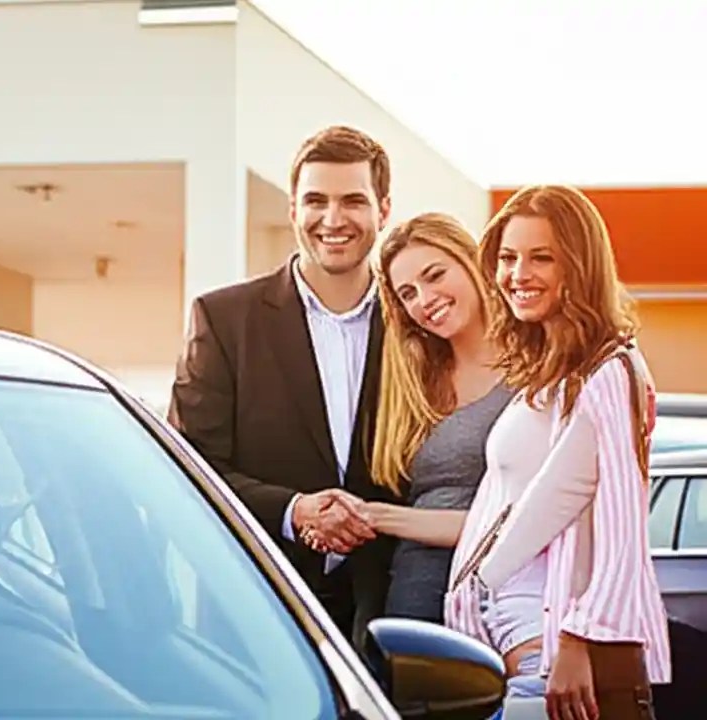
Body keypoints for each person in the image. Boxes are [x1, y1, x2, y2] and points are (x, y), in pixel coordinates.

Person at [167, 125, 396, 652]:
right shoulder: (223, 319)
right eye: (316, 201)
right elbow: (191, 467)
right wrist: (295, 511)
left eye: (353, 201)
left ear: (383, 210)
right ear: (293, 209)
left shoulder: (416, 325)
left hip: (391, 619)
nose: (332, 219)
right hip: (254, 610)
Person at [445, 185, 670, 720]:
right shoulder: (547, 372)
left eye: (540, 257)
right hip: (509, 637)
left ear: (578, 265)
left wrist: (577, 638)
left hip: (548, 650)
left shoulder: (611, 371)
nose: (517, 274)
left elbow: (621, 525)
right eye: (507, 258)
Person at [310, 212, 513, 624]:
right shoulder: (414, 384)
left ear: (472, 262)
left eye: (435, 275)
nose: (425, 299)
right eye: (408, 294)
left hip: (499, 606)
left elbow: (519, 520)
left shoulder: (533, 376)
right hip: (411, 599)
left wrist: (376, 516)